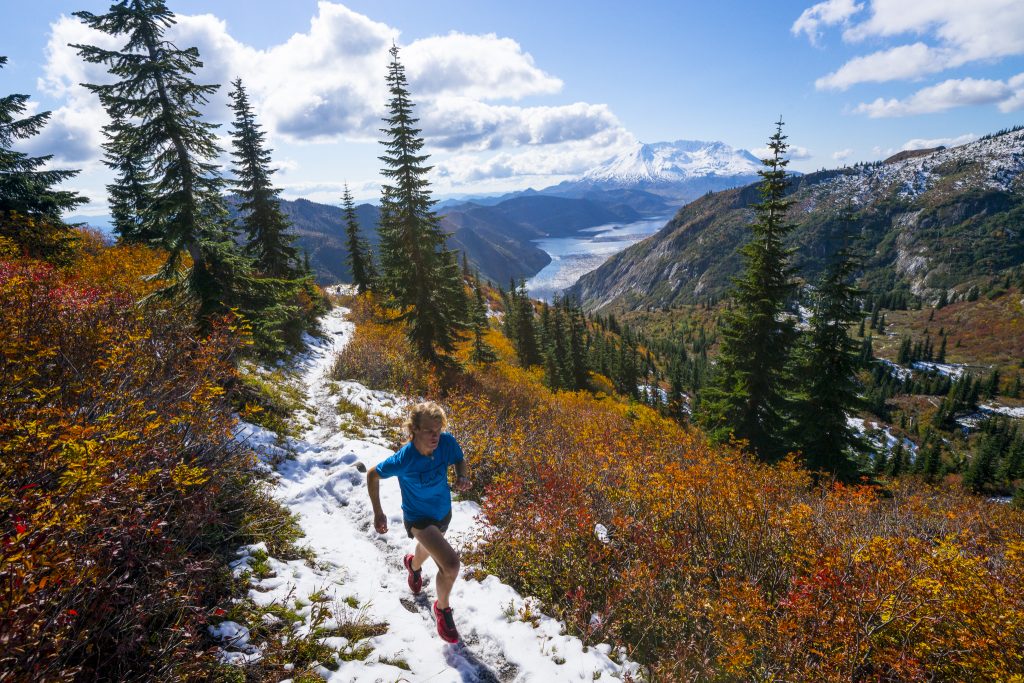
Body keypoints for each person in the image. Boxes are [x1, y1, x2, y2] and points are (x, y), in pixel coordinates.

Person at [366, 401, 471, 644]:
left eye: (438, 430)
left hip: (443, 512)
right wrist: (378, 512)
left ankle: (412, 566)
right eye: (428, 431)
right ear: (414, 430)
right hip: (418, 518)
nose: (435, 436)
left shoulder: (447, 443)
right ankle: (442, 609)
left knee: (427, 549)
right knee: (451, 564)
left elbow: (459, 459)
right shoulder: (405, 459)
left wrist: (462, 476)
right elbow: (372, 474)